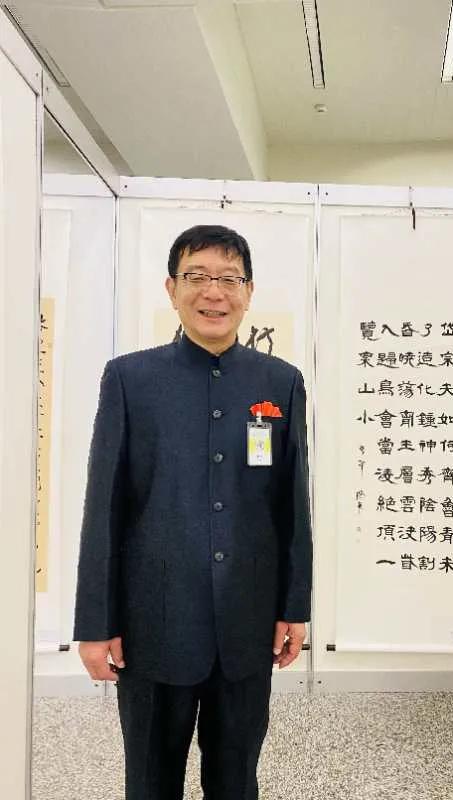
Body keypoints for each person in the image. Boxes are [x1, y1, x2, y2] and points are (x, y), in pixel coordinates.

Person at [73, 224, 313, 800]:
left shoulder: (280, 382)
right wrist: (95, 624)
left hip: (247, 624)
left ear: (248, 292)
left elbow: (292, 503)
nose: (214, 292)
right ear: (171, 288)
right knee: (151, 782)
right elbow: (103, 506)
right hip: (153, 625)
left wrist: (294, 606)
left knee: (237, 780)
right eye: (197, 276)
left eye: (229, 279)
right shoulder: (130, 379)